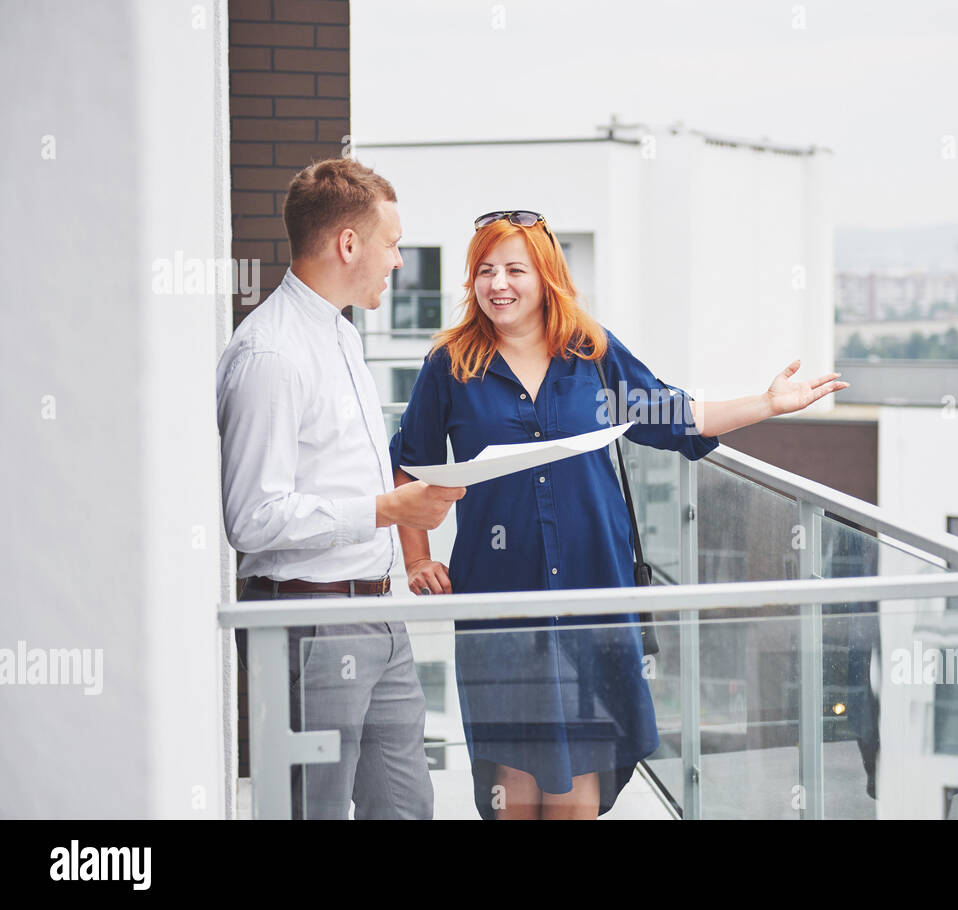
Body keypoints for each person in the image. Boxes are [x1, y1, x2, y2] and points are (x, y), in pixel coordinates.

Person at [389, 209, 848, 819]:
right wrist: (417, 557)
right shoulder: (452, 364)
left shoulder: (592, 353)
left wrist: (765, 404)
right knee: (513, 782)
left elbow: (676, 417)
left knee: (580, 779)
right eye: (484, 271)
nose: (497, 284)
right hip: (498, 601)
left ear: (546, 275)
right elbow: (411, 466)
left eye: (514, 270)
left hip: (594, 597)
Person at [216, 158, 466, 819]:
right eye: (391, 244)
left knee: (406, 808)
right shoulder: (270, 355)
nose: (398, 262)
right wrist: (387, 509)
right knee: (311, 812)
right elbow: (252, 516)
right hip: (312, 625)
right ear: (348, 244)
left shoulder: (344, 337)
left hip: (381, 616)